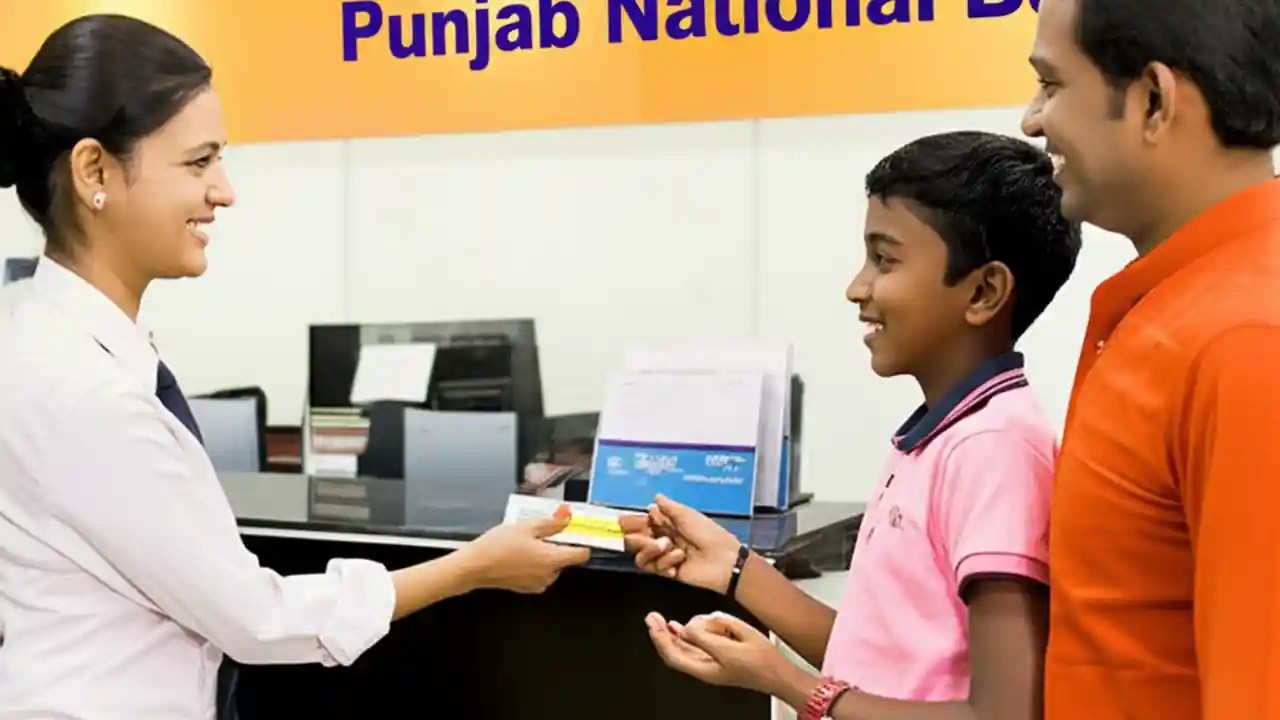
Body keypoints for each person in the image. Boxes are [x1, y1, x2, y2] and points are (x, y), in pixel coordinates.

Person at [0, 14, 590, 719]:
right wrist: (473, 569)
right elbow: (258, 619)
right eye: (198, 162)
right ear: (95, 170)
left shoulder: (34, 332)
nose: (224, 190)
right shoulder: (83, 392)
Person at [621, 131, 1082, 719]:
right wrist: (736, 570)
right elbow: (885, 658)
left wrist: (791, 684)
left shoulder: (993, 450)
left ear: (984, 291)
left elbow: (1004, 714)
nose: (857, 288)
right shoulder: (940, 437)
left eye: (885, 260)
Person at [1020, 1, 1280, 718]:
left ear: (1154, 101)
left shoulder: (1246, 343)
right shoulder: (1178, 305)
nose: (1031, 120)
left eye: (1051, 84)